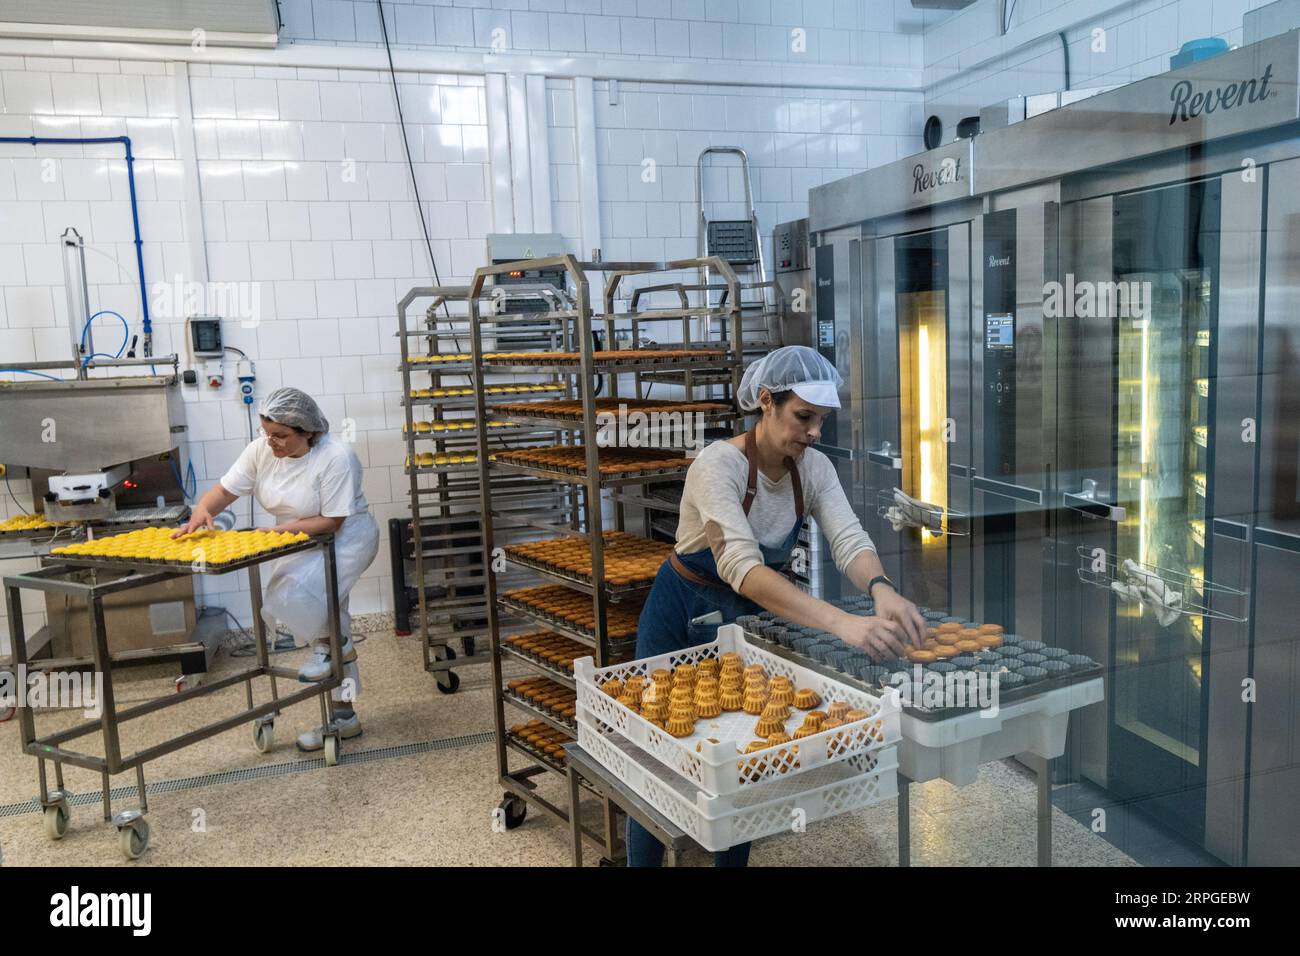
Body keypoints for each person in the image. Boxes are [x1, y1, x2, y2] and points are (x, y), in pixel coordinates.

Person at [627, 345, 926, 867]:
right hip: (681, 610)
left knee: (743, 760)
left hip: (745, 619)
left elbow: (849, 539)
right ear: (766, 402)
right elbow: (740, 568)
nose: (813, 432)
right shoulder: (717, 465)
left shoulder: (812, 470)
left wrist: (881, 587)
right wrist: (841, 624)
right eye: (803, 417)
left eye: (821, 421)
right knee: (656, 761)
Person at [175, 387, 380, 751]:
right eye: (267, 433)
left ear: (308, 432)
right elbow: (225, 490)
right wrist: (202, 510)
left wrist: (270, 534)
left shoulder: (336, 457)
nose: (272, 442)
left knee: (299, 595)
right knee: (328, 611)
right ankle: (344, 713)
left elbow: (332, 520)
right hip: (297, 536)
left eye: (281, 436)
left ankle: (333, 648)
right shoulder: (261, 450)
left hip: (347, 538)